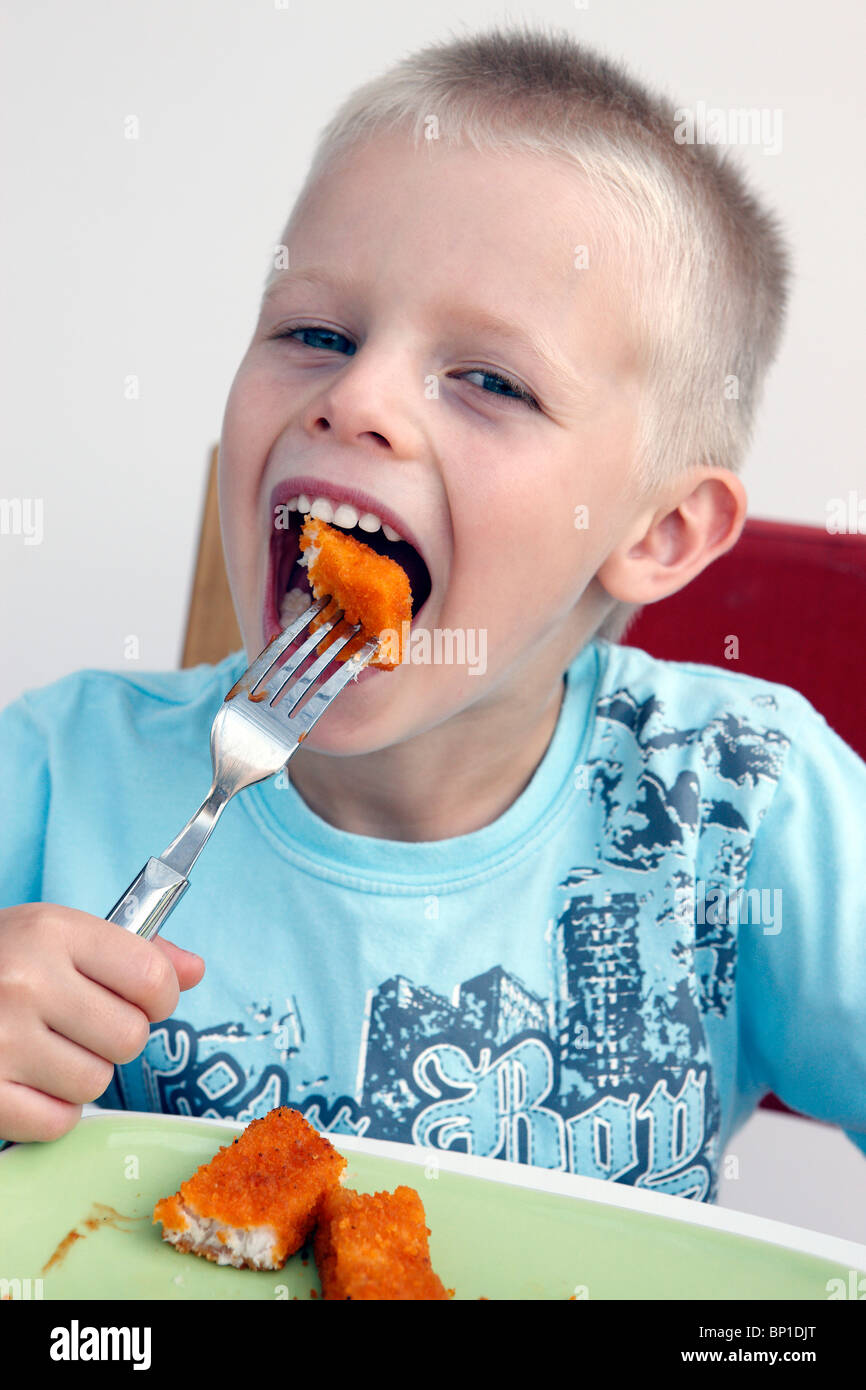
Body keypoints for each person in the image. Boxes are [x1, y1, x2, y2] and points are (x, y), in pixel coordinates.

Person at [1, 25, 863, 1202]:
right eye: (315, 332)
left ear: (655, 534)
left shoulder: (739, 798)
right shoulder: (54, 779)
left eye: (491, 381)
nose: (355, 397)